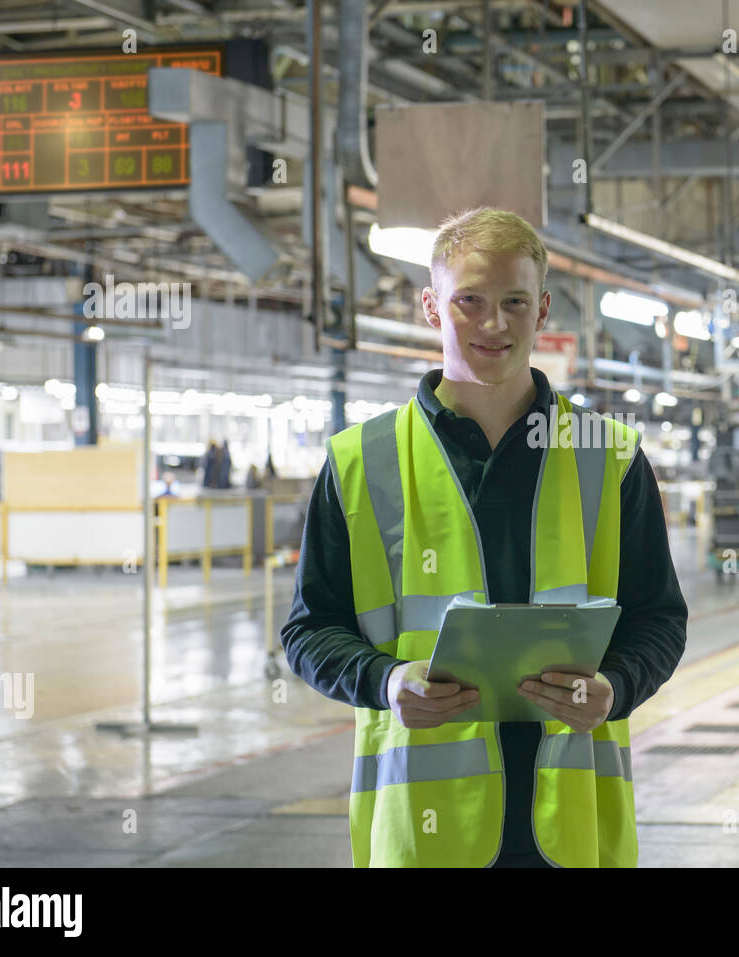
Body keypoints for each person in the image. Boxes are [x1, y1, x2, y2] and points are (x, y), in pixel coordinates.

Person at [281, 207, 687, 867]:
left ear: (543, 309)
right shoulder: (361, 462)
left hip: (571, 830)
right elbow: (308, 631)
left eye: (514, 302)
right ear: (431, 307)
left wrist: (616, 686)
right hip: (425, 835)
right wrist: (386, 681)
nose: (494, 323)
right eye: (469, 300)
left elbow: (659, 619)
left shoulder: (609, 457)